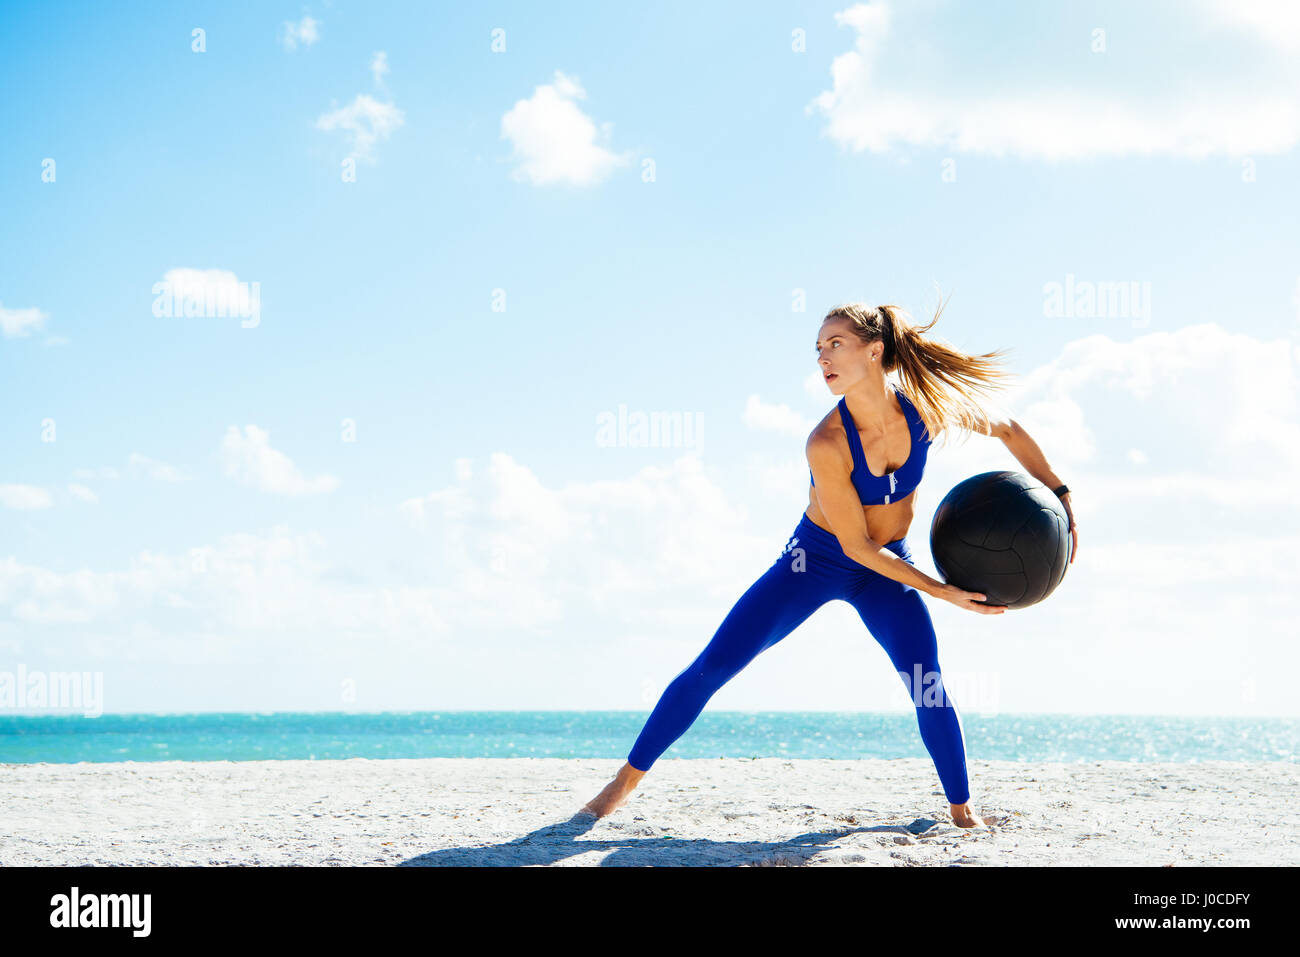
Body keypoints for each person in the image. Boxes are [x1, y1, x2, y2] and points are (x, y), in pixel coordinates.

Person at [579, 301, 1078, 829]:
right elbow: (858, 547)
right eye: (818, 349)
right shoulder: (827, 443)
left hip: (887, 571)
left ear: (874, 349)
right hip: (812, 563)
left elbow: (1008, 429)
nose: (823, 358)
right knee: (714, 667)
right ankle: (623, 782)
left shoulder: (925, 410)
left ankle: (961, 809)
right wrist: (942, 590)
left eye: (834, 344)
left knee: (926, 683)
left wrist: (1060, 493)